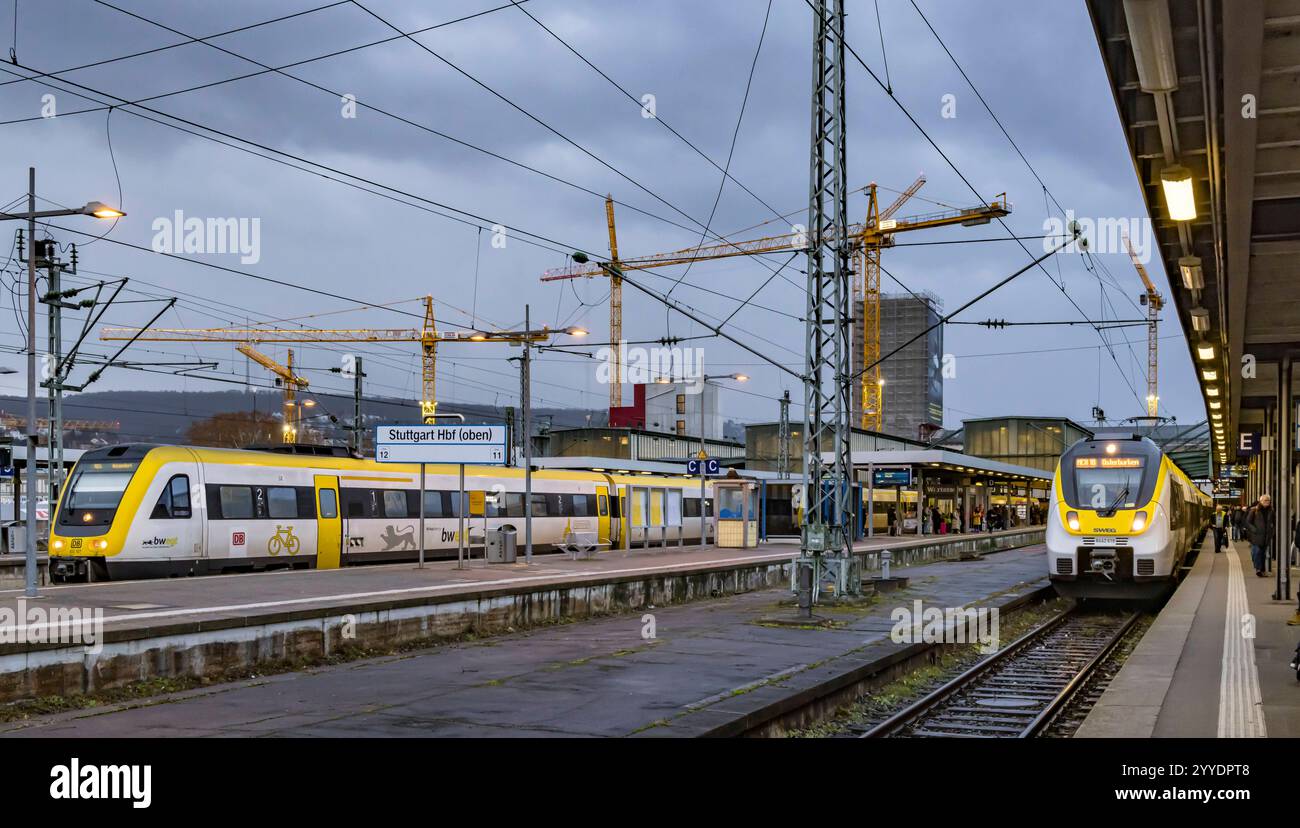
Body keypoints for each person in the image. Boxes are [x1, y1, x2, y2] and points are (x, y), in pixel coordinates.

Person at [1244, 495, 1275, 577]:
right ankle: (1258, 569)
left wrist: (1272, 532)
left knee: (1262, 554)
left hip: (1266, 536)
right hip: (1256, 536)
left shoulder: (1271, 511)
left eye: (1268, 500)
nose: (1267, 502)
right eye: (1265, 500)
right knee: (1257, 552)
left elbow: (1274, 523)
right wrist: (1254, 530)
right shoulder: (1254, 510)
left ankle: (1261, 570)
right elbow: (1248, 522)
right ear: (1260, 501)